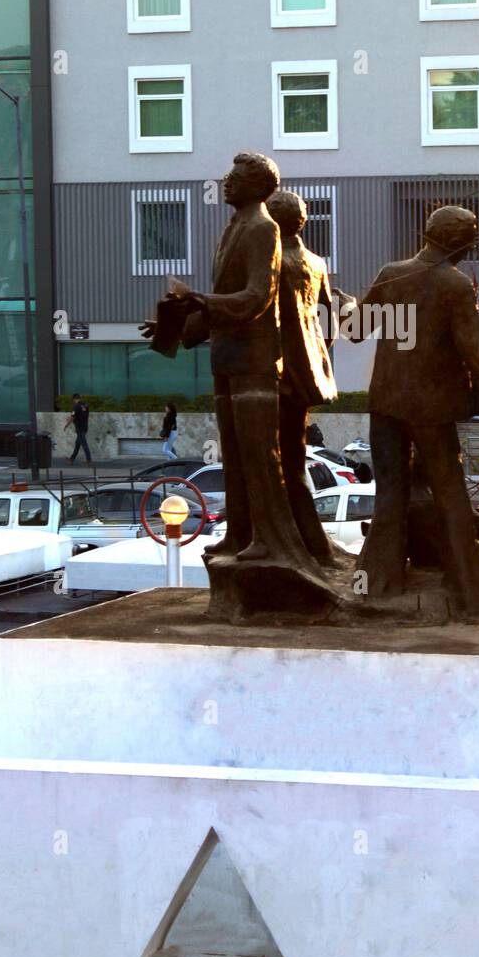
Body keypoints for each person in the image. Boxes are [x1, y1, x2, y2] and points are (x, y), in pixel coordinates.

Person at [143, 151, 334, 614]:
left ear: (257, 185)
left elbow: (255, 298)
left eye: (235, 176)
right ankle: (244, 532)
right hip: (226, 359)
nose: (225, 181)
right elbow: (222, 307)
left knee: (261, 457)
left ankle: (273, 541)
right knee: (236, 457)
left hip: (255, 360)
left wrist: (199, 299)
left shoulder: (264, 229)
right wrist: (181, 326)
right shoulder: (234, 228)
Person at [348, 205, 479, 621]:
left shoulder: (391, 272)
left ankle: (377, 584)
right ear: (459, 242)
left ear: (428, 233)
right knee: (450, 495)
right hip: (431, 408)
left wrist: (348, 303)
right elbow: (478, 357)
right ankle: (472, 594)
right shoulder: (455, 284)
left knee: (389, 495)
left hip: (386, 404)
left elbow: (355, 329)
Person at [266, 188, 338, 566]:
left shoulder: (274, 261)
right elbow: (329, 321)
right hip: (308, 372)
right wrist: (318, 357)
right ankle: (312, 544)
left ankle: (307, 546)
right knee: (292, 462)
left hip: (277, 373)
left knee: (279, 466)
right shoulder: (316, 261)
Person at [65, 393, 91, 464]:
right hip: (85, 427)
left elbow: (72, 417)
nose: (73, 401)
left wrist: (66, 425)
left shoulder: (76, 406)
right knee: (77, 444)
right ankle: (71, 459)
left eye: (73, 400)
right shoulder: (85, 405)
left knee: (84, 444)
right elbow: (83, 415)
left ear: (74, 399)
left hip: (79, 428)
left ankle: (88, 459)